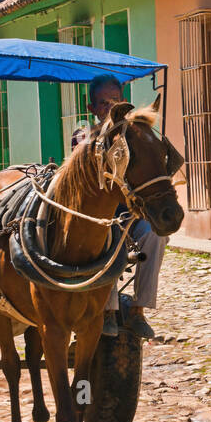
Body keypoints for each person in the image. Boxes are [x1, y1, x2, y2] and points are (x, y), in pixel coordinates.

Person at [71, 74, 164, 340]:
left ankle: (138, 309)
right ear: (92, 109)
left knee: (156, 234)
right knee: (108, 240)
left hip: (130, 213)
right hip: (98, 217)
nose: (111, 109)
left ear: (125, 103)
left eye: (116, 101)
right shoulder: (83, 135)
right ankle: (108, 313)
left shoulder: (132, 135)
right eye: (103, 104)